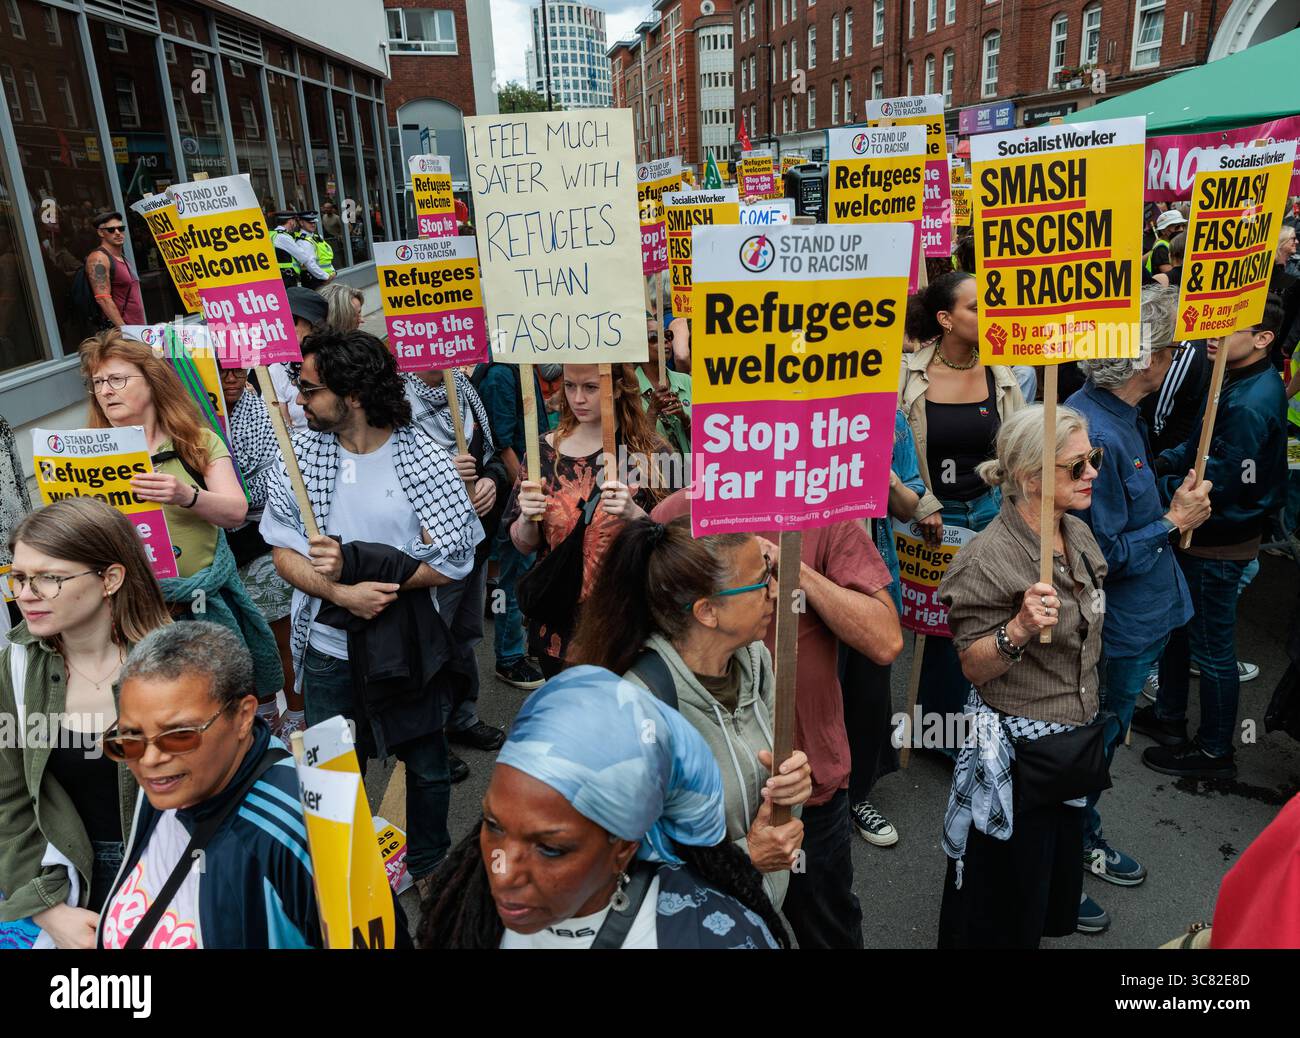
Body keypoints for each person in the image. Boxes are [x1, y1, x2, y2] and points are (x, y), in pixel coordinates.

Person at [260, 328, 482, 894]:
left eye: (308, 389)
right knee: (335, 772)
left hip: (407, 647)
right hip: (330, 653)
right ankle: (347, 879)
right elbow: (282, 550)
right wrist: (338, 595)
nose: (299, 399)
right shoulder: (302, 453)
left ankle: (431, 866)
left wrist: (375, 573)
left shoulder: (424, 458)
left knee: (429, 767)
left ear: (352, 394)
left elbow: (455, 560)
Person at [652, 493, 902, 948]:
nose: (768, 594)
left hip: (807, 786)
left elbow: (885, 641)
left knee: (828, 932)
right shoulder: (676, 513)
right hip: (709, 795)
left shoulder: (825, 515)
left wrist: (793, 569)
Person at [416, 667, 787, 949]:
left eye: (550, 848)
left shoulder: (719, 936)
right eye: (494, 825)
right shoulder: (467, 917)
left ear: (624, 847)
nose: (502, 872)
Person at [570, 518, 812, 909]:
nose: (776, 591)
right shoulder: (637, 710)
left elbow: (771, 802)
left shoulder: (756, 661)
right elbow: (615, 865)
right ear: (707, 612)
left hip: (753, 914)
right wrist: (745, 856)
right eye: (761, 580)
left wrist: (794, 787)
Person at [1066, 286, 1210, 933]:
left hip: (1144, 619)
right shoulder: (1087, 431)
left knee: (1104, 747)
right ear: (1143, 360)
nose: (1176, 358)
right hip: (1115, 632)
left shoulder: (1118, 417)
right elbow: (1097, 554)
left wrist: (1170, 493)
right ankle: (1060, 868)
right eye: (1170, 348)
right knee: (1087, 753)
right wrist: (1172, 521)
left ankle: (1077, 839)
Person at [937, 404, 1108, 948]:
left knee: (1039, 894)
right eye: (1076, 465)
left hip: (1071, 748)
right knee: (999, 906)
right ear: (1032, 477)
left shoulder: (1077, 533)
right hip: (1022, 760)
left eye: (1094, 459)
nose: (1092, 473)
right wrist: (1016, 628)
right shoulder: (987, 558)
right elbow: (972, 664)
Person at [0, 499, 172, 949]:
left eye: (49, 578)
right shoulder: (16, 667)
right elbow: (9, 798)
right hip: (72, 886)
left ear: (110, 579)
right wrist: (48, 908)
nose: (26, 593)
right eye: (18, 577)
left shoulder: (178, 661)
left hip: (176, 878)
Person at [80, 331, 283, 705]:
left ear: (153, 380)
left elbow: (236, 511)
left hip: (202, 604)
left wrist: (185, 495)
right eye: (97, 383)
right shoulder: (87, 457)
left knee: (222, 703)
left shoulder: (197, 442)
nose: (106, 391)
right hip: (133, 613)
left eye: (117, 379)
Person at [1133, 295, 1289, 778]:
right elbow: (1199, 442)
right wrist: (1162, 463)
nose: (1213, 334)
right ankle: (1169, 718)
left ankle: (1216, 751)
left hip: (1217, 541)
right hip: (1198, 533)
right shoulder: (1229, 377)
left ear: (1263, 339)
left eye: (1230, 327)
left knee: (1213, 649)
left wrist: (1154, 487)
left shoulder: (1251, 400)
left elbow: (1221, 481)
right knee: (1179, 631)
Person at [96, 623, 322, 948]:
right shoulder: (168, 782)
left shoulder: (300, 828)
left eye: (179, 735)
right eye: (130, 738)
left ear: (243, 716)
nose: (148, 760)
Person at [900, 271, 1025, 742]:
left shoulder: (1005, 372)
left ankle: (978, 722)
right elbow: (893, 451)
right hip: (936, 517)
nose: (988, 312)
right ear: (945, 319)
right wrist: (922, 503)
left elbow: (1014, 447)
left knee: (989, 616)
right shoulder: (907, 375)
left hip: (990, 511)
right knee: (940, 625)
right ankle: (937, 729)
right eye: (976, 306)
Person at [503, 363, 664, 677]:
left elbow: (676, 544)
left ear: (617, 387)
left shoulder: (651, 454)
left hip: (628, 626)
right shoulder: (542, 453)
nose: (577, 398)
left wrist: (637, 515)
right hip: (559, 629)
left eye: (590, 387)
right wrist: (526, 517)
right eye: (570, 386)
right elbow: (525, 545)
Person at [405, 367, 510, 780]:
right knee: (431, 642)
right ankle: (430, 737)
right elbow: (392, 475)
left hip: (474, 541)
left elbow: (493, 457)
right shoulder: (396, 402)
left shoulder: (464, 390)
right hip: (432, 552)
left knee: (465, 636)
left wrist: (490, 480)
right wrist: (443, 472)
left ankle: (462, 718)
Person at [847, 414, 925, 847]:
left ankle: (856, 795)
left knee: (867, 692)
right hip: (797, 582)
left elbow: (910, 502)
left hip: (870, 581)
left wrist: (890, 482)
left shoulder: (887, 419)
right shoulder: (780, 409)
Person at [220, 364, 303, 737]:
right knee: (244, 642)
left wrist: (228, 501)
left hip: (264, 541)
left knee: (279, 638)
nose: (232, 378)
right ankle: (266, 711)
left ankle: (298, 716)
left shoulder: (263, 413)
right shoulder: (188, 423)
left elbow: (279, 481)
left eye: (238, 370)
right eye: (221, 371)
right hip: (219, 552)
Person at [470, 358, 549, 691]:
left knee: (522, 574)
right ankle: (508, 657)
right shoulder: (501, 374)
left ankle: (521, 645)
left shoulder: (520, 365)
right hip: (510, 495)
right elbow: (501, 443)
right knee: (509, 581)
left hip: (523, 487)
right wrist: (525, 487)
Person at [268, 286, 329, 433]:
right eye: (280, 319)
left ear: (313, 325)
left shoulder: (338, 360)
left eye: (291, 319)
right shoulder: (277, 368)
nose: (282, 325)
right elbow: (281, 424)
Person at [635, 310, 691, 458]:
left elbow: (707, 441)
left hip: (693, 474)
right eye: (654, 337)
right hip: (656, 477)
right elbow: (635, 448)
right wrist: (652, 411)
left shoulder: (687, 382)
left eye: (667, 335)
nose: (665, 341)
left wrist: (685, 420)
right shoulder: (629, 390)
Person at [83, 212, 145, 330]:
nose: (117, 233)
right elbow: (103, 298)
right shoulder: (99, 259)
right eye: (111, 230)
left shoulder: (122, 257)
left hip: (137, 329)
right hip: (121, 334)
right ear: (101, 232)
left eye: (121, 228)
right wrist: (125, 330)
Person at [270, 211, 332, 290]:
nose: (295, 223)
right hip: (287, 278)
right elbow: (303, 258)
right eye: (295, 221)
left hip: (277, 276)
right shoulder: (283, 237)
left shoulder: (272, 234)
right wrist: (326, 277)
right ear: (291, 222)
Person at [291, 211, 336, 289]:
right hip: (315, 280)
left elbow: (325, 258)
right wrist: (326, 277)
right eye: (309, 222)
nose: (313, 224)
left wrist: (333, 272)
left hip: (324, 279)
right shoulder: (303, 241)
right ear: (301, 223)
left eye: (314, 222)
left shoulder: (317, 237)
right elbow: (310, 264)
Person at [1145, 209, 1186, 278]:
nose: (1181, 229)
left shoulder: (1178, 244)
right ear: (1163, 231)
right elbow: (1173, 276)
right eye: (1177, 227)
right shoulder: (1161, 248)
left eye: (1183, 226)